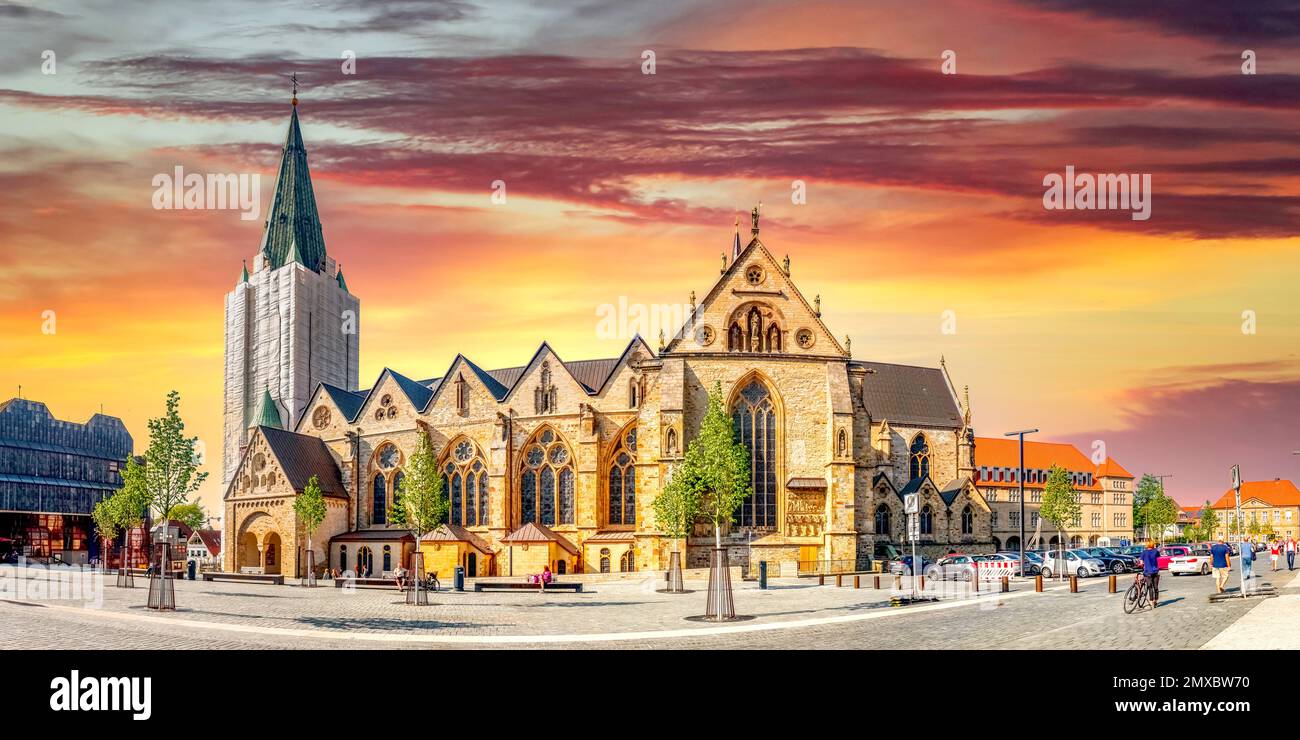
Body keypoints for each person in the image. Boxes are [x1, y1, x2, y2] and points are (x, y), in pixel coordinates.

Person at [1138, 540, 1160, 608]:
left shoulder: (1144, 552)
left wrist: (1143, 564)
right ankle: (1155, 600)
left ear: (1147, 545)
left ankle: (1151, 601)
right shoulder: (1156, 551)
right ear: (1153, 544)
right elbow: (1158, 557)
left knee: (1150, 587)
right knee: (1155, 587)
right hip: (1155, 571)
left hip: (1147, 572)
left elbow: (1141, 562)